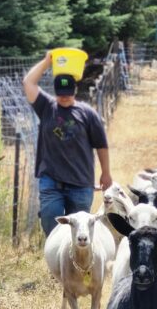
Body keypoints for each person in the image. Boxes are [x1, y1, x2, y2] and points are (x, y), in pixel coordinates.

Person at [22, 51, 112, 236]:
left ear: (75, 91)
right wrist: (47, 61)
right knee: (52, 226)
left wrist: (106, 173)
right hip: (51, 182)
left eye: (68, 94)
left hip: (81, 183)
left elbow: (101, 145)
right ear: (55, 92)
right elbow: (28, 82)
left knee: (79, 234)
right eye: (61, 94)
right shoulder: (46, 107)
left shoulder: (87, 113)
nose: (64, 97)